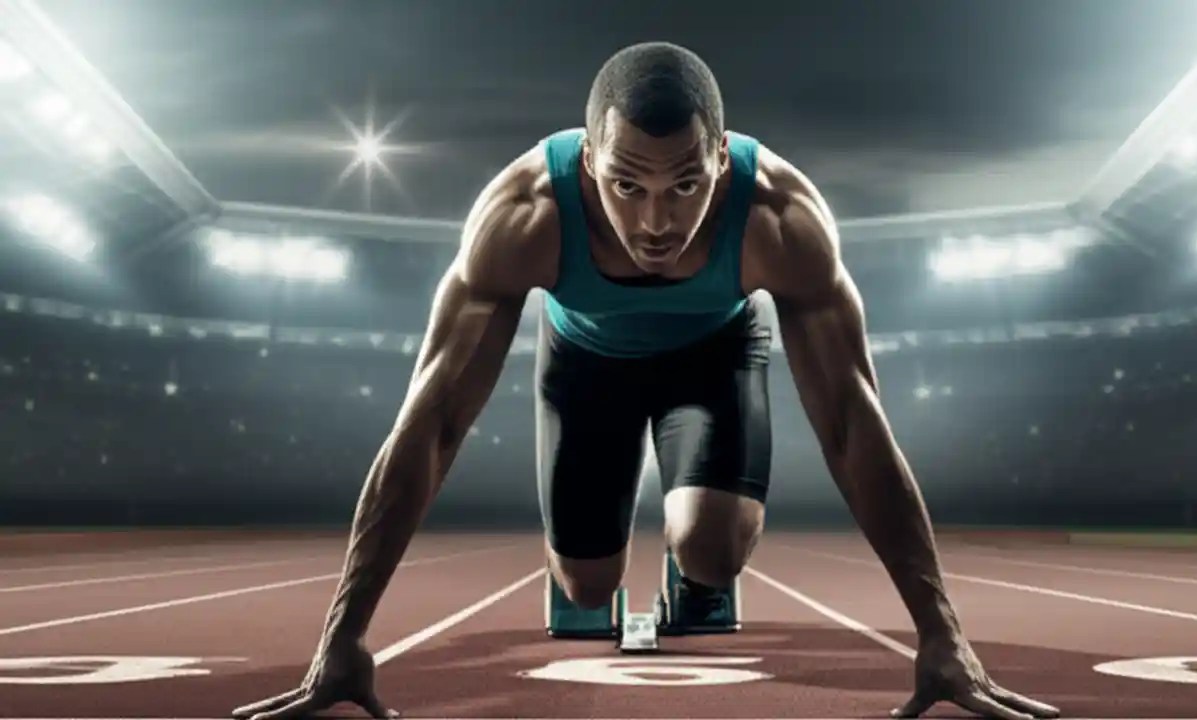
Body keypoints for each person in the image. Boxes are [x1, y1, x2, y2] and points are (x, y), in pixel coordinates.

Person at [232, 41, 1061, 720]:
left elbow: (851, 421)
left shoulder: (782, 220)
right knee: (586, 583)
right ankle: (586, 571)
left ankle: (695, 573)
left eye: (685, 186)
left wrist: (940, 632)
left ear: (723, 170)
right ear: (588, 161)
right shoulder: (522, 218)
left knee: (711, 552)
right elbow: (433, 422)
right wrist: (343, 634)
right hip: (586, 365)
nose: (656, 222)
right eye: (628, 185)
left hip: (716, 357)